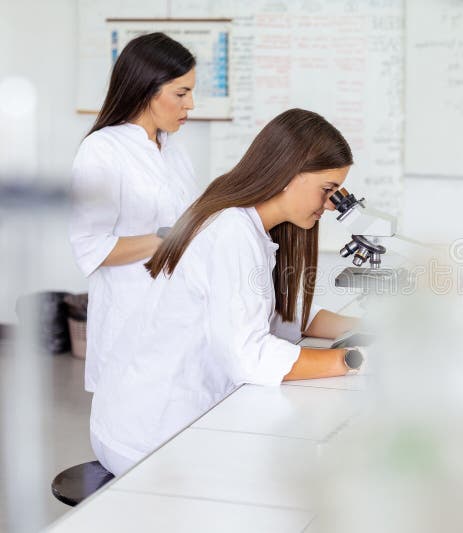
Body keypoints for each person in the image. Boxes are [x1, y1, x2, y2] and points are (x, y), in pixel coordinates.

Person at [89, 108, 363, 476]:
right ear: (287, 174)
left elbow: (283, 313)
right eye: (327, 190)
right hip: (148, 434)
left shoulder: (248, 219)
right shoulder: (231, 229)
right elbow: (248, 356)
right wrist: (352, 361)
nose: (331, 205)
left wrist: (373, 325)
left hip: (153, 411)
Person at [70, 32, 200, 392]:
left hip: (177, 318)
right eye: (181, 93)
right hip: (130, 323)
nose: (190, 104)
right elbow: (92, 248)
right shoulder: (101, 150)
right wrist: (165, 240)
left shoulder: (171, 150)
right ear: (147, 89)